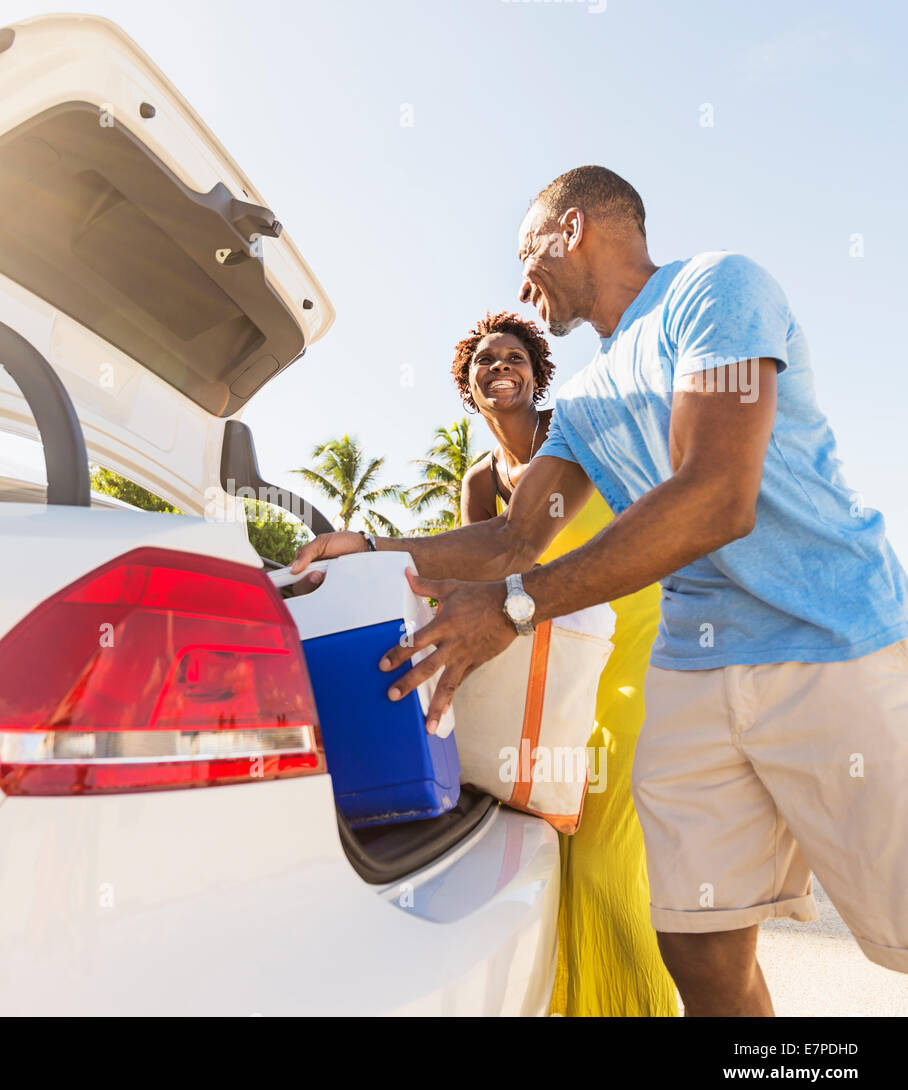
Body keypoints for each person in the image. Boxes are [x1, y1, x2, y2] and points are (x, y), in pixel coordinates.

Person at [290, 166, 908, 1016]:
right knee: (698, 948)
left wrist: (512, 608)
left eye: (525, 254)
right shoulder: (582, 403)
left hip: (833, 642)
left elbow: (717, 495)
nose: (520, 282)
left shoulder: (715, 290)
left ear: (570, 227)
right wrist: (373, 544)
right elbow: (513, 535)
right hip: (694, 675)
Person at [454, 309, 677, 1017]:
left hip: (637, 636)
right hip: (562, 663)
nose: (500, 366)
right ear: (468, 387)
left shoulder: (573, 430)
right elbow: (480, 570)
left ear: (535, 371)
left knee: (611, 856)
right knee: (564, 851)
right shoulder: (479, 479)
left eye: (513, 355)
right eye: (484, 361)